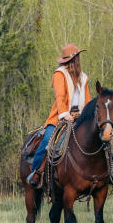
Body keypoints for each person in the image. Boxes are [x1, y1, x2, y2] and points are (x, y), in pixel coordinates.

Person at [27, 43, 90, 187]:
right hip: (60, 118)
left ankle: (112, 170)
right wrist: (64, 114)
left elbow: (87, 99)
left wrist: (88, 115)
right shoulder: (59, 74)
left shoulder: (84, 78)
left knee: (98, 137)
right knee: (48, 140)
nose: (77, 60)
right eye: (76, 57)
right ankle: (36, 172)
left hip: (80, 119)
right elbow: (60, 96)